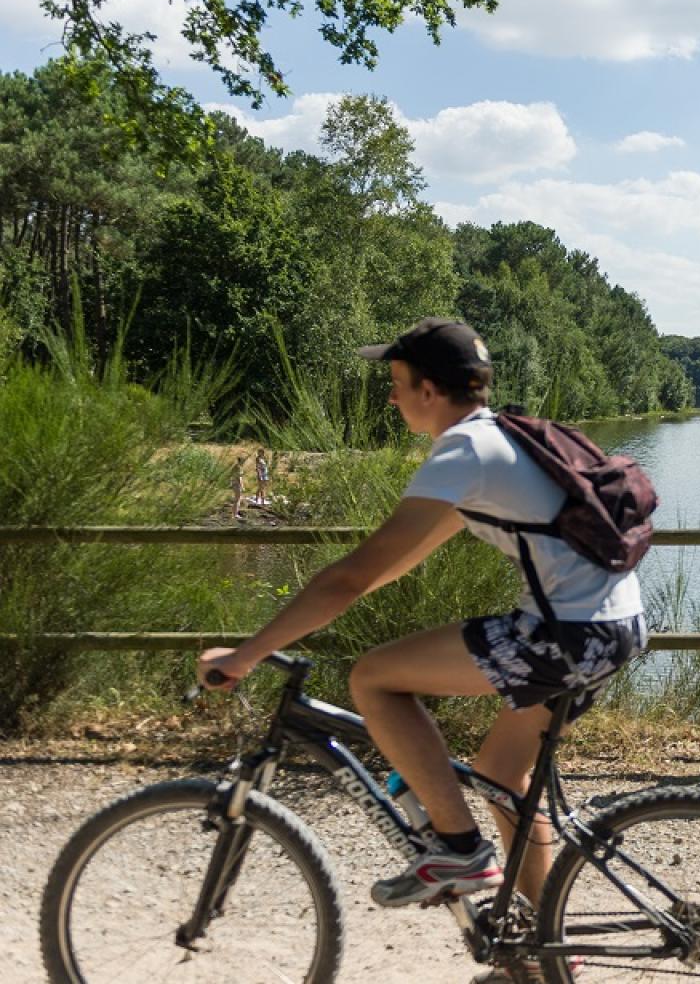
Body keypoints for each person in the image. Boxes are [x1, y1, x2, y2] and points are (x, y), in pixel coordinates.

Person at [197, 318, 648, 941]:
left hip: (564, 634)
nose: (390, 397)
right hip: (612, 626)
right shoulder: (498, 441)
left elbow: (349, 578)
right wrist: (313, 612)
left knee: (374, 678)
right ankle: (544, 949)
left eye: (397, 383)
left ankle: (458, 850)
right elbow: (385, 568)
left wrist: (248, 653)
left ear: (430, 391)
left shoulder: (464, 450)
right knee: (501, 773)